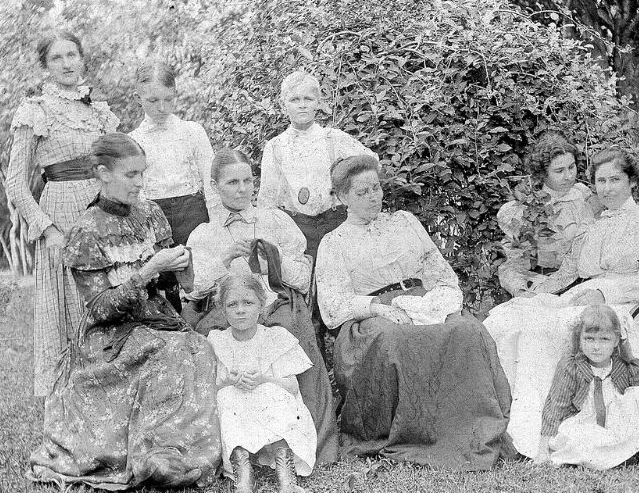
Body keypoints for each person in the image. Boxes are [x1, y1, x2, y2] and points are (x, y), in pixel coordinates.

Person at [483, 147, 639, 459]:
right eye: (600, 181)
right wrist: (533, 291)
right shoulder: (593, 225)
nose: (606, 188)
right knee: (510, 318)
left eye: (615, 179)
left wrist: (604, 294)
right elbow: (569, 273)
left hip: (628, 303)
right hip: (582, 299)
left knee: (547, 329)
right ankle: (515, 428)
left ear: (632, 181)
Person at [29, 134, 220, 490]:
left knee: (200, 348)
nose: (139, 182)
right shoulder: (86, 231)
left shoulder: (151, 214)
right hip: (110, 337)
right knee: (170, 352)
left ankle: (178, 452)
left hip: (157, 320)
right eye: (131, 174)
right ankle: (152, 454)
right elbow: (101, 309)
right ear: (103, 173)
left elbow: (169, 284)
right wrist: (146, 272)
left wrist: (180, 266)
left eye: (142, 173)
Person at [316, 155, 517, 469]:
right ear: (343, 197)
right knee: (393, 338)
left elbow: (438, 271)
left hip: (422, 300)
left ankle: (468, 428)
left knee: (466, 330)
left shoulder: (404, 222)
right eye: (362, 192)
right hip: (373, 314)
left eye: (376, 188)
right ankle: (412, 433)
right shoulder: (334, 242)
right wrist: (377, 308)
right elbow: (332, 304)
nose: (373, 197)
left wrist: (439, 301)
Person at [186, 148, 339, 466]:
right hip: (227, 308)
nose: (242, 189)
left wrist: (274, 264)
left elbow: (304, 277)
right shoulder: (204, 234)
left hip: (275, 301)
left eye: (247, 181)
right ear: (214, 186)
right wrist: (224, 260)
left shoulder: (275, 220)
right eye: (232, 182)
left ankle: (292, 439)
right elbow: (193, 289)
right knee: (215, 337)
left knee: (285, 329)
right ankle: (239, 443)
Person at [6, 30, 119, 397]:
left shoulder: (99, 111)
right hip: (61, 217)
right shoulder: (35, 110)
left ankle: (108, 396)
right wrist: (48, 229)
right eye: (57, 57)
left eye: (72, 55)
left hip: (103, 214)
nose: (67, 63)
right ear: (45, 66)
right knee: (69, 306)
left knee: (109, 300)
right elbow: (15, 184)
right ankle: (67, 401)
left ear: (82, 59)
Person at [209, 272, 317, 493]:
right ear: (223, 310)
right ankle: (243, 476)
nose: (240, 310)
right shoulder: (218, 341)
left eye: (248, 303)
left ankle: (286, 477)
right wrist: (229, 381)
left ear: (261, 305)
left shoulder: (275, 338)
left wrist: (264, 378)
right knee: (227, 396)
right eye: (232, 305)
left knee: (274, 393)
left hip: (271, 403)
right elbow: (211, 389)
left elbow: (291, 386)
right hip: (238, 409)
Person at [534, 305, 639, 470]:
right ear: (580, 339)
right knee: (580, 441)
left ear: (616, 340)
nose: (596, 347)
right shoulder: (571, 367)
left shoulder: (624, 365)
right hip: (585, 427)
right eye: (589, 339)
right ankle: (632, 453)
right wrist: (542, 450)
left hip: (615, 426)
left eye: (604, 339)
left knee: (638, 394)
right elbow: (555, 407)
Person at [257, 70, 377, 260]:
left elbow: (371, 163)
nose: (302, 105)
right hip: (296, 228)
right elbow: (267, 201)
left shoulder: (333, 138)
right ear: (282, 104)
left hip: (335, 222)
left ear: (318, 103)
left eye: (308, 99)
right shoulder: (276, 146)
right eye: (294, 100)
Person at [128, 62, 219, 247]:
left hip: (193, 216)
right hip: (153, 218)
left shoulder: (192, 131)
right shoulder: (133, 141)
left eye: (168, 99)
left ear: (175, 94)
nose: (162, 107)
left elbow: (211, 182)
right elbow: (134, 191)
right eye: (153, 101)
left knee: (197, 261)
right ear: (138, 98)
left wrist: (217, 223)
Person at [496, 133, 599, 297]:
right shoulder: (528, 209)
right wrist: (521, 291)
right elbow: (512, 265)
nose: (568, 176)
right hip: (545, 287)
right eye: (559, 171)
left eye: (571, 167)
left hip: (587, 285)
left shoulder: (585, 196)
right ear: (543, 173)